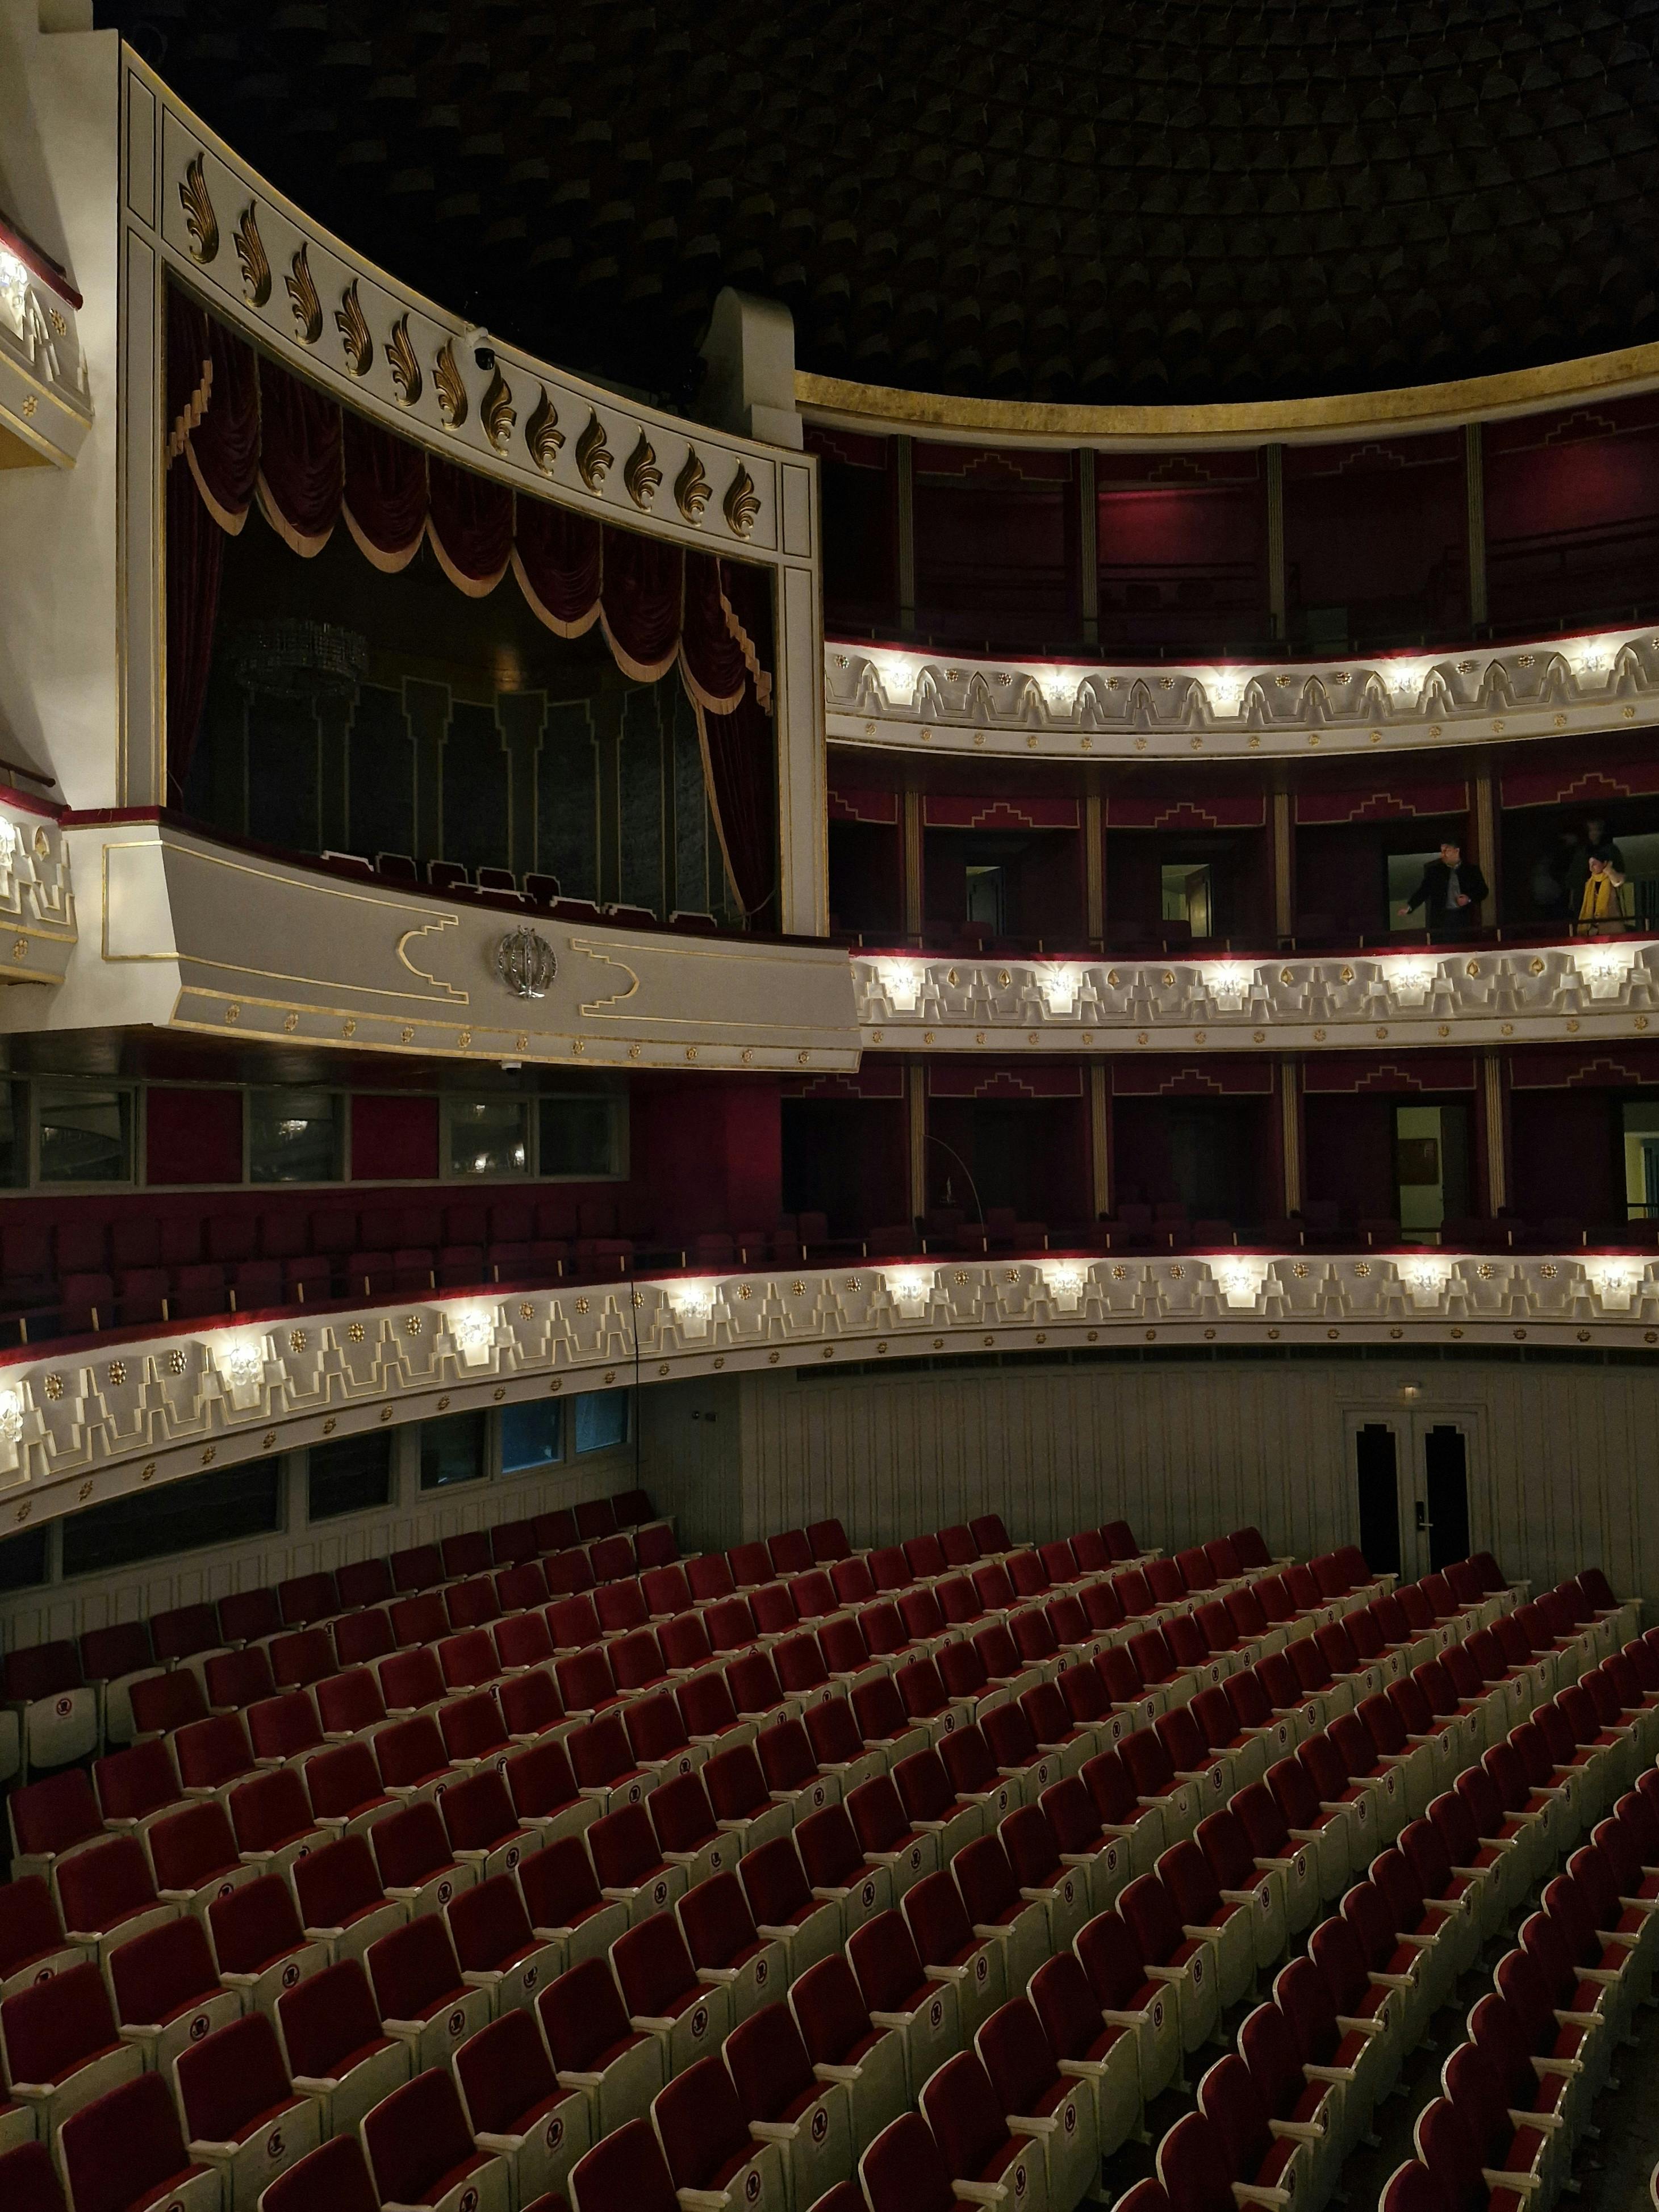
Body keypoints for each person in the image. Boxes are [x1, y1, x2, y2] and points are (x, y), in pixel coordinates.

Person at [1398, 840, 1489, 941]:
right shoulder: (1435, 871)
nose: (1443, 855)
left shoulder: (1471, 870)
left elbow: (1483, 891)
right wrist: (1410, 906)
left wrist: (1469, 898)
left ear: (1457, 851)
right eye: (1442, 851)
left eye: (1447, 851)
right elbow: (1424, 891)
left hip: (1465, 919)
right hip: (1442, 920)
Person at [1565, 817, 1624, 914]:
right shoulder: (1582, 853)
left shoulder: (1611, 851)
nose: (1594, 834)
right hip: (1583, 899)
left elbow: (1619, 879)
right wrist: (1572, 900)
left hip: (1607, 898)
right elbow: (1574, 879)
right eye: (1591, 830)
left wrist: (1608, 871)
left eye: (1597, 830)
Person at [1577, 853, 1631, 933]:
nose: (1591, 867)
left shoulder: (1612, 878)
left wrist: (1609, 870)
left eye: (1594, 864)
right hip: (1593, 928)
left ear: (1604, 863)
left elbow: (1618, 882)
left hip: (1611, 926)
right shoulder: (1589, 883)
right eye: (1590, 864)